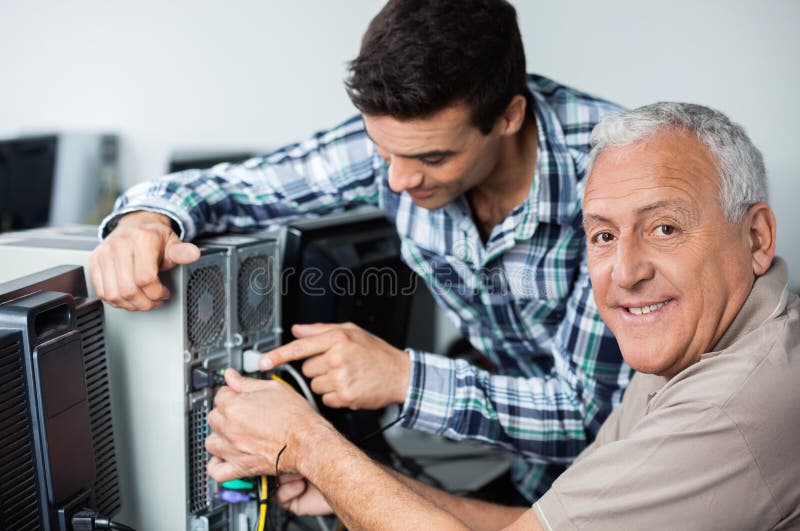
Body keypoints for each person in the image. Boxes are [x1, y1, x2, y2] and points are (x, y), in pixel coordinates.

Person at [91, 0, 628, 501]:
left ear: (509, 117)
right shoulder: (402, 142)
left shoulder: (617, 175)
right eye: (382, 150)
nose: (396, 180)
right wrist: (145, 220)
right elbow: (233, 188)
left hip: (628, 483)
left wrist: (403, 378)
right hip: (532, 478)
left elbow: (594, 419)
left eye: (433, 158)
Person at [204, 102, 800, 531]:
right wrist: (346, 489)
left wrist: (309, 445)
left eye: (665, 228)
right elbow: (535, 525)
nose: (624, 272)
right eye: (601, 235)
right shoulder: (693, 338)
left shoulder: (737, 402)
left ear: (756, 238)